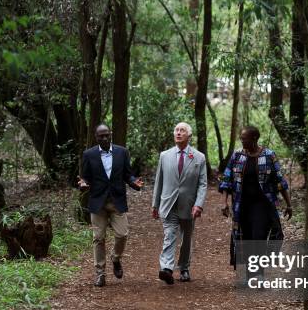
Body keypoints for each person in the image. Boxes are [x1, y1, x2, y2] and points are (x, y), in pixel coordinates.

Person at [78, 124, 143, 287]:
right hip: (97, 202)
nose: (105, 138)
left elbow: (128, 175)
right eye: (101, 136)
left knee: (122, 234)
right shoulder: (89, 154)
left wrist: (134, 183)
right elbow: (84, 177)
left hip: (117, 201)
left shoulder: (122, 152)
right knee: (98, 238)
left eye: (107, 135)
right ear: (96, 137)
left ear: (111, 135)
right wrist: (83, 184)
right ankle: (100, 274)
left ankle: (115, 258)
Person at [218, 125, 292, 267]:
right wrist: (224, 203)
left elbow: (280, 181)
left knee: (258, 237)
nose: (242, 141)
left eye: (244, 139)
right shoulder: (237, 155)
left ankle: (257, 275)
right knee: (245, 238)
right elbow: (227, 180)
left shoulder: (269, 155)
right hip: (242, 205)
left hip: (263, 205)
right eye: (241, 138)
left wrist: (289, 204)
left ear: (254, 138)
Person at [151, 122, 208, 284]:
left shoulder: (199, 157)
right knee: (169, 235)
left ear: (189, 136)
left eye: (182, 130)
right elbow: (159, 182)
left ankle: (184, 268)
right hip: (168, 203)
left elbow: (203, 184)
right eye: (176, 130)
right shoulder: (165, 155)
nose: (178, 133)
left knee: (186, 239)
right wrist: (155, 205)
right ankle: (167, 268)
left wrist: (199, 204)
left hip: (189, 205)